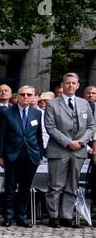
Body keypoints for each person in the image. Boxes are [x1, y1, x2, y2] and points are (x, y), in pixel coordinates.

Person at [43, 72, 94, 227]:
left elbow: (91, 126)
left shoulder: (84, 103)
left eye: (73, 83)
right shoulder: (53, 104)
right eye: (67, 83)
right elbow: (50, 127)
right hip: (59, 150)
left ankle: (67, 216)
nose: (70, 85)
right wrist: (67, 142)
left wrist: (81, 142)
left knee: (73, 185)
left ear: (78, 85)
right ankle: (53, 216)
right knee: (56, 185)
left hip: (78, 150)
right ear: (62, 85)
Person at [0, 84, 44, 226]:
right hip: (12, 155)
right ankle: (8, 216)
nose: (26, 97)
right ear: (17, 96)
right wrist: (0, 156)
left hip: (31, 155)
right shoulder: (7, 113)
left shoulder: (37, 113)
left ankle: (21, 216)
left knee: (25, 188)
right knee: (10, 187)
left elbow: (38, 136)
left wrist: (39, 153)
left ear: (34, 96)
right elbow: (1, 136)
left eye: (29, 95)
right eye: (23, 94)